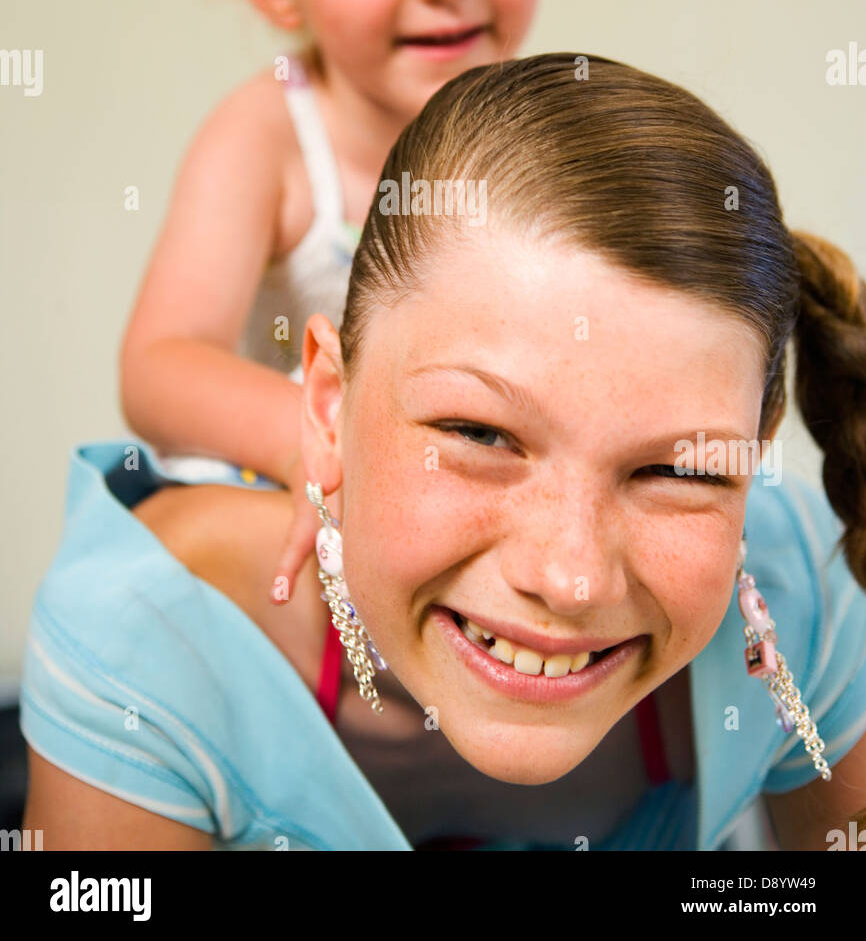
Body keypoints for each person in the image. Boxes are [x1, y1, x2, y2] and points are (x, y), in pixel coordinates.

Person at [21, 53, 866, 850]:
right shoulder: (151, 640)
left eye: (677, 469)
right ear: (326, 409)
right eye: (479, 435)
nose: (569, 578)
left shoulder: (807, 598)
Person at [118, 0, 572, 599]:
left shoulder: (551, 138)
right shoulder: (272, 134)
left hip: (480, 504)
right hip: (295, 482)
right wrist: (332, 444)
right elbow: (160, 365)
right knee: (145, 561)